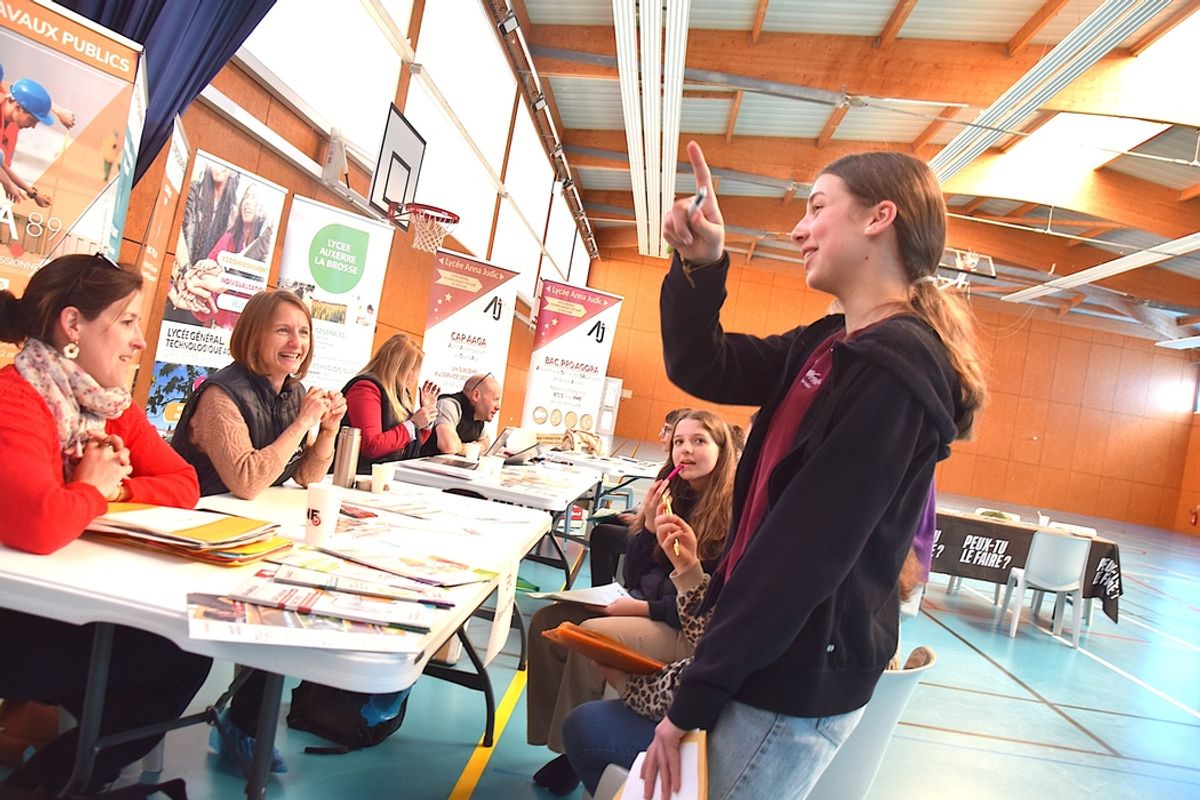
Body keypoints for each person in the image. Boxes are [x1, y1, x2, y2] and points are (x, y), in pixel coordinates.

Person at [562, 143, 985, 799]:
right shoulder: (830, 343)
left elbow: (800, 557)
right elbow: (705, 368)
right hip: (758, 657)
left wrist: (693, 700)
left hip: (789, 680)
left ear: (879, 218)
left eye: (818, 208)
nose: (798, 228)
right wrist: (700, 267)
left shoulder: (891, 371)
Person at [0, 254, 212, 793]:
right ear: (73, 325)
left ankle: (48, 783)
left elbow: (183, 484)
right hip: (18, 614)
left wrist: (113, 488)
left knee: (183, 651)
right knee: (171, 657)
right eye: (127, 321)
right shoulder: (16, 396)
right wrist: (87, 489)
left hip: (60, 600)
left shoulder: (107, 404)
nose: (140, 340)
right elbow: (41, 523)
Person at [528, 410, 736, 796]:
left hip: (683, 628)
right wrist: (650, 528)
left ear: (722, 452)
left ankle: (570, 754)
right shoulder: (673, 493)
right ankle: (555, 737)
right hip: (645, 605)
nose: (685, 450)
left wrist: (641, 609)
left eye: (699, 441)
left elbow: (705, 605)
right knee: (546, 620)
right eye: (678, 442)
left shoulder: (733, 513)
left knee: (590, 636)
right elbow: (635, 576)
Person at [171, 288, 344, 499]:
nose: (297, 343)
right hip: (196, 518)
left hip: (255, 518)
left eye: (304, 332)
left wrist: (328, 431)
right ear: (254, 336)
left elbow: (308, 477)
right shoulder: (220, 395)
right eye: (283, 330)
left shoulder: (295, 392)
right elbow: (247, 482)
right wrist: (302, 423)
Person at [589, 407, 692, 587]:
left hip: (662, 538)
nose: (661, 434)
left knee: (602, 534)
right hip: (653, 526)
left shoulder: (680, 474)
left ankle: (603, 590)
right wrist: (639, 516)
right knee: (612, 522)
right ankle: (609, 589)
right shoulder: (669, 468)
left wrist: (640, 520)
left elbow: (668, 517)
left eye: (667, 430)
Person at [342, 332, 440, 469]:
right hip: (357, 476)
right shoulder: (365, 388)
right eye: (414, 369)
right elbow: (371, 446)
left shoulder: (400, 394)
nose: (415, 375)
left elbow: (405, 444)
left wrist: (426, 420)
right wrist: (413, 424)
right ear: (401, 367)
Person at [165, 163, 240, 323]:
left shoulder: (233, 212)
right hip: (175, 284)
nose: (219, 167)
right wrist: (185, 274)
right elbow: (171, 229)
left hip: (203, 296)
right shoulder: (191, 191)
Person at [0, 78, 66, 208]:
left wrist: (34, 194)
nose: (33, 126)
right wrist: (7, 184)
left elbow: (1, 165)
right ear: (19, 106)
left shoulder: (6, 125)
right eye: (33, 119)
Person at [418, 372, 501, 456]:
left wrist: (470, 448)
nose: (498, 407)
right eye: (495, 400)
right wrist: (472, 448)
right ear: (476, 395)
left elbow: (485, 441)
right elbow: (449, 447)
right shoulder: (448, 405)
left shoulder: (478, 415)